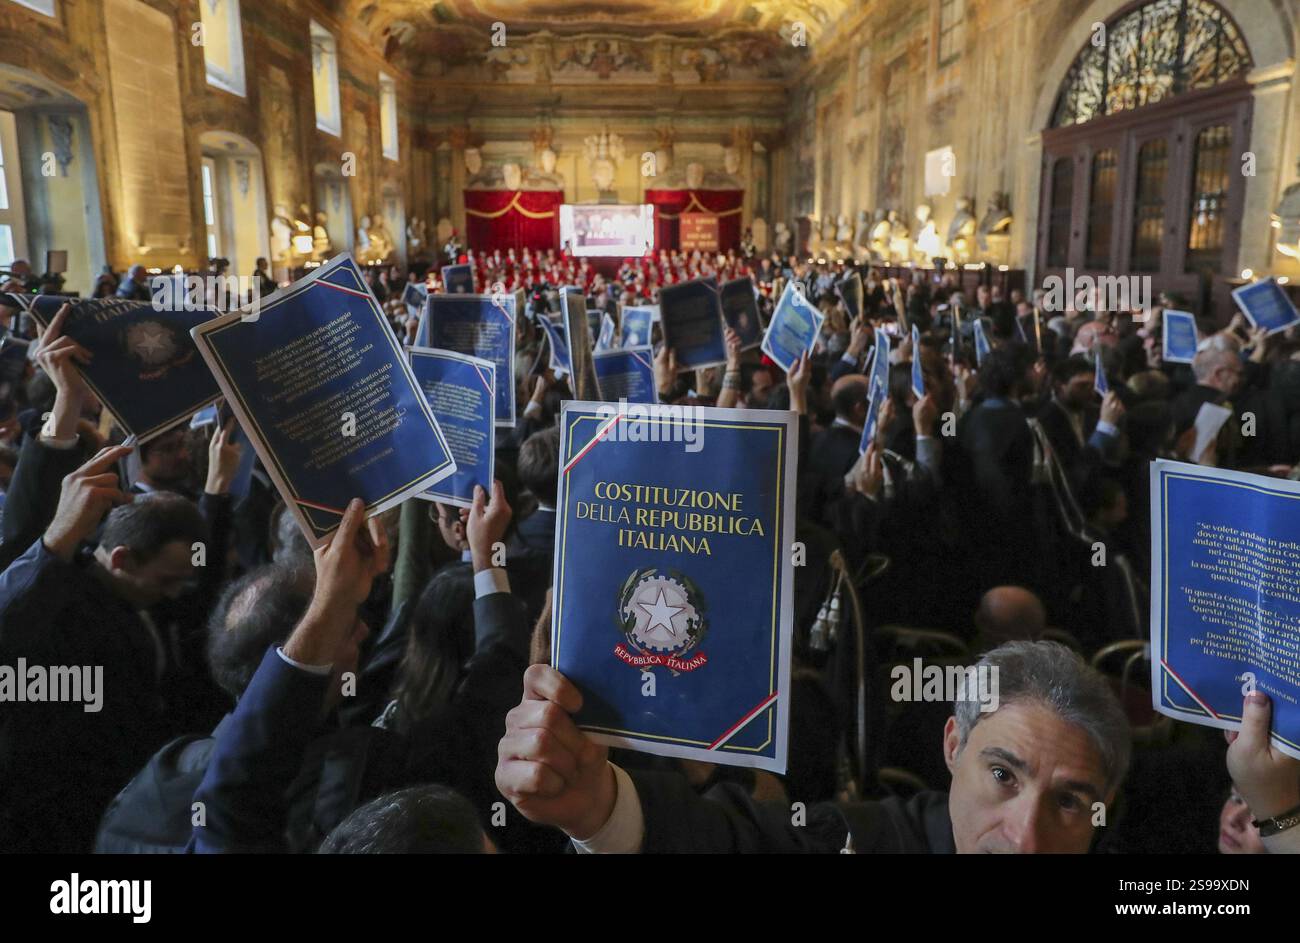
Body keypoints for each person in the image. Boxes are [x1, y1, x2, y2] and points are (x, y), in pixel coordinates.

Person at [496, 640, 1133, 853]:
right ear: (953, 746)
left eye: (1068, 802)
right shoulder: (860, 840)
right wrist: (600, 808)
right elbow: (737, 841)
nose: (1027, 837)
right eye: (1002, 775)